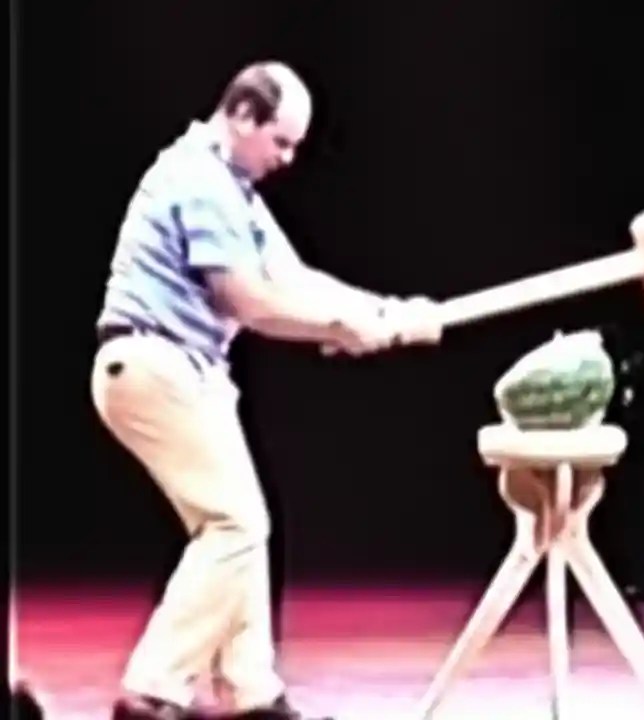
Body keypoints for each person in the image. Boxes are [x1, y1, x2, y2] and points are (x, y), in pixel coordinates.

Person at [90, 61, 442, 720]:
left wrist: (389, 313)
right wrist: (336, 326)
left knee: (238, 528)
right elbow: (246, 299)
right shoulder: (198, 177)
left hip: (182, 369)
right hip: (153, 361)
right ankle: (152, 688)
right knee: (236, 525)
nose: (285, 160)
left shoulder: (234, 190)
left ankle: (253, 697)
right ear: (243, 115)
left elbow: (294, 279)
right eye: (279, 141)